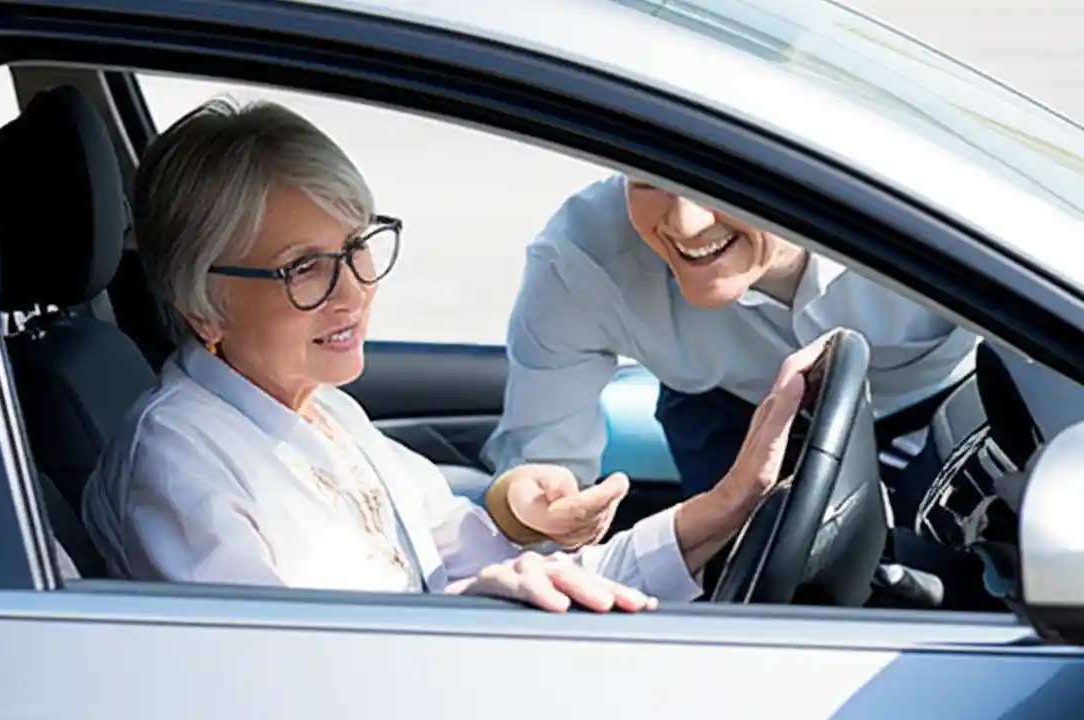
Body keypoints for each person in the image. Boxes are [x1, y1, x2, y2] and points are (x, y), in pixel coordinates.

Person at [81, 98, 827, 612]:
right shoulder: (178, 460)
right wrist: (468, 609)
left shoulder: (331, 414)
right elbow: (269, 678)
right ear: (199, 302)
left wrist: (734, 500)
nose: (353, 292)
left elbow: (533, 579)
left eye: (356, 248)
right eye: (303, 268)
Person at [483, 176, 979, 503]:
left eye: (717, 184)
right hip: (728, 408)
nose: (685, 224)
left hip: (950, 405)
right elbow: (536, 470)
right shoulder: (581, 261)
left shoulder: (925, 210)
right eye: (650, 180)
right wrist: (536, 513)